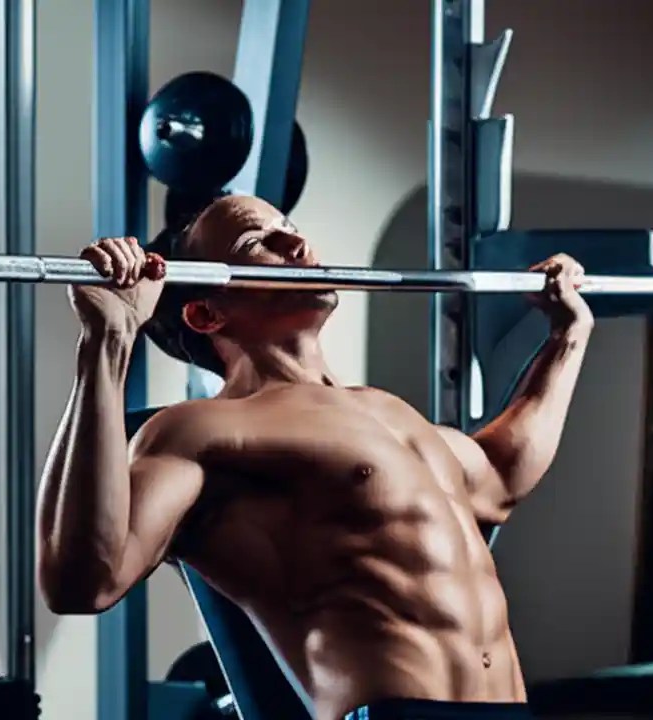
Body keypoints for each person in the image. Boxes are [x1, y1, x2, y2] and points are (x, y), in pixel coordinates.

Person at [36, 194, 593, 720]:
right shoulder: (201, 430)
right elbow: (84, 581)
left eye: (292, 231)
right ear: (206, 314)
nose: (298, 247)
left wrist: (568, 336)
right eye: (260, 242)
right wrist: (108, 340)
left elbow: (498, 476)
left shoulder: (387, 411)